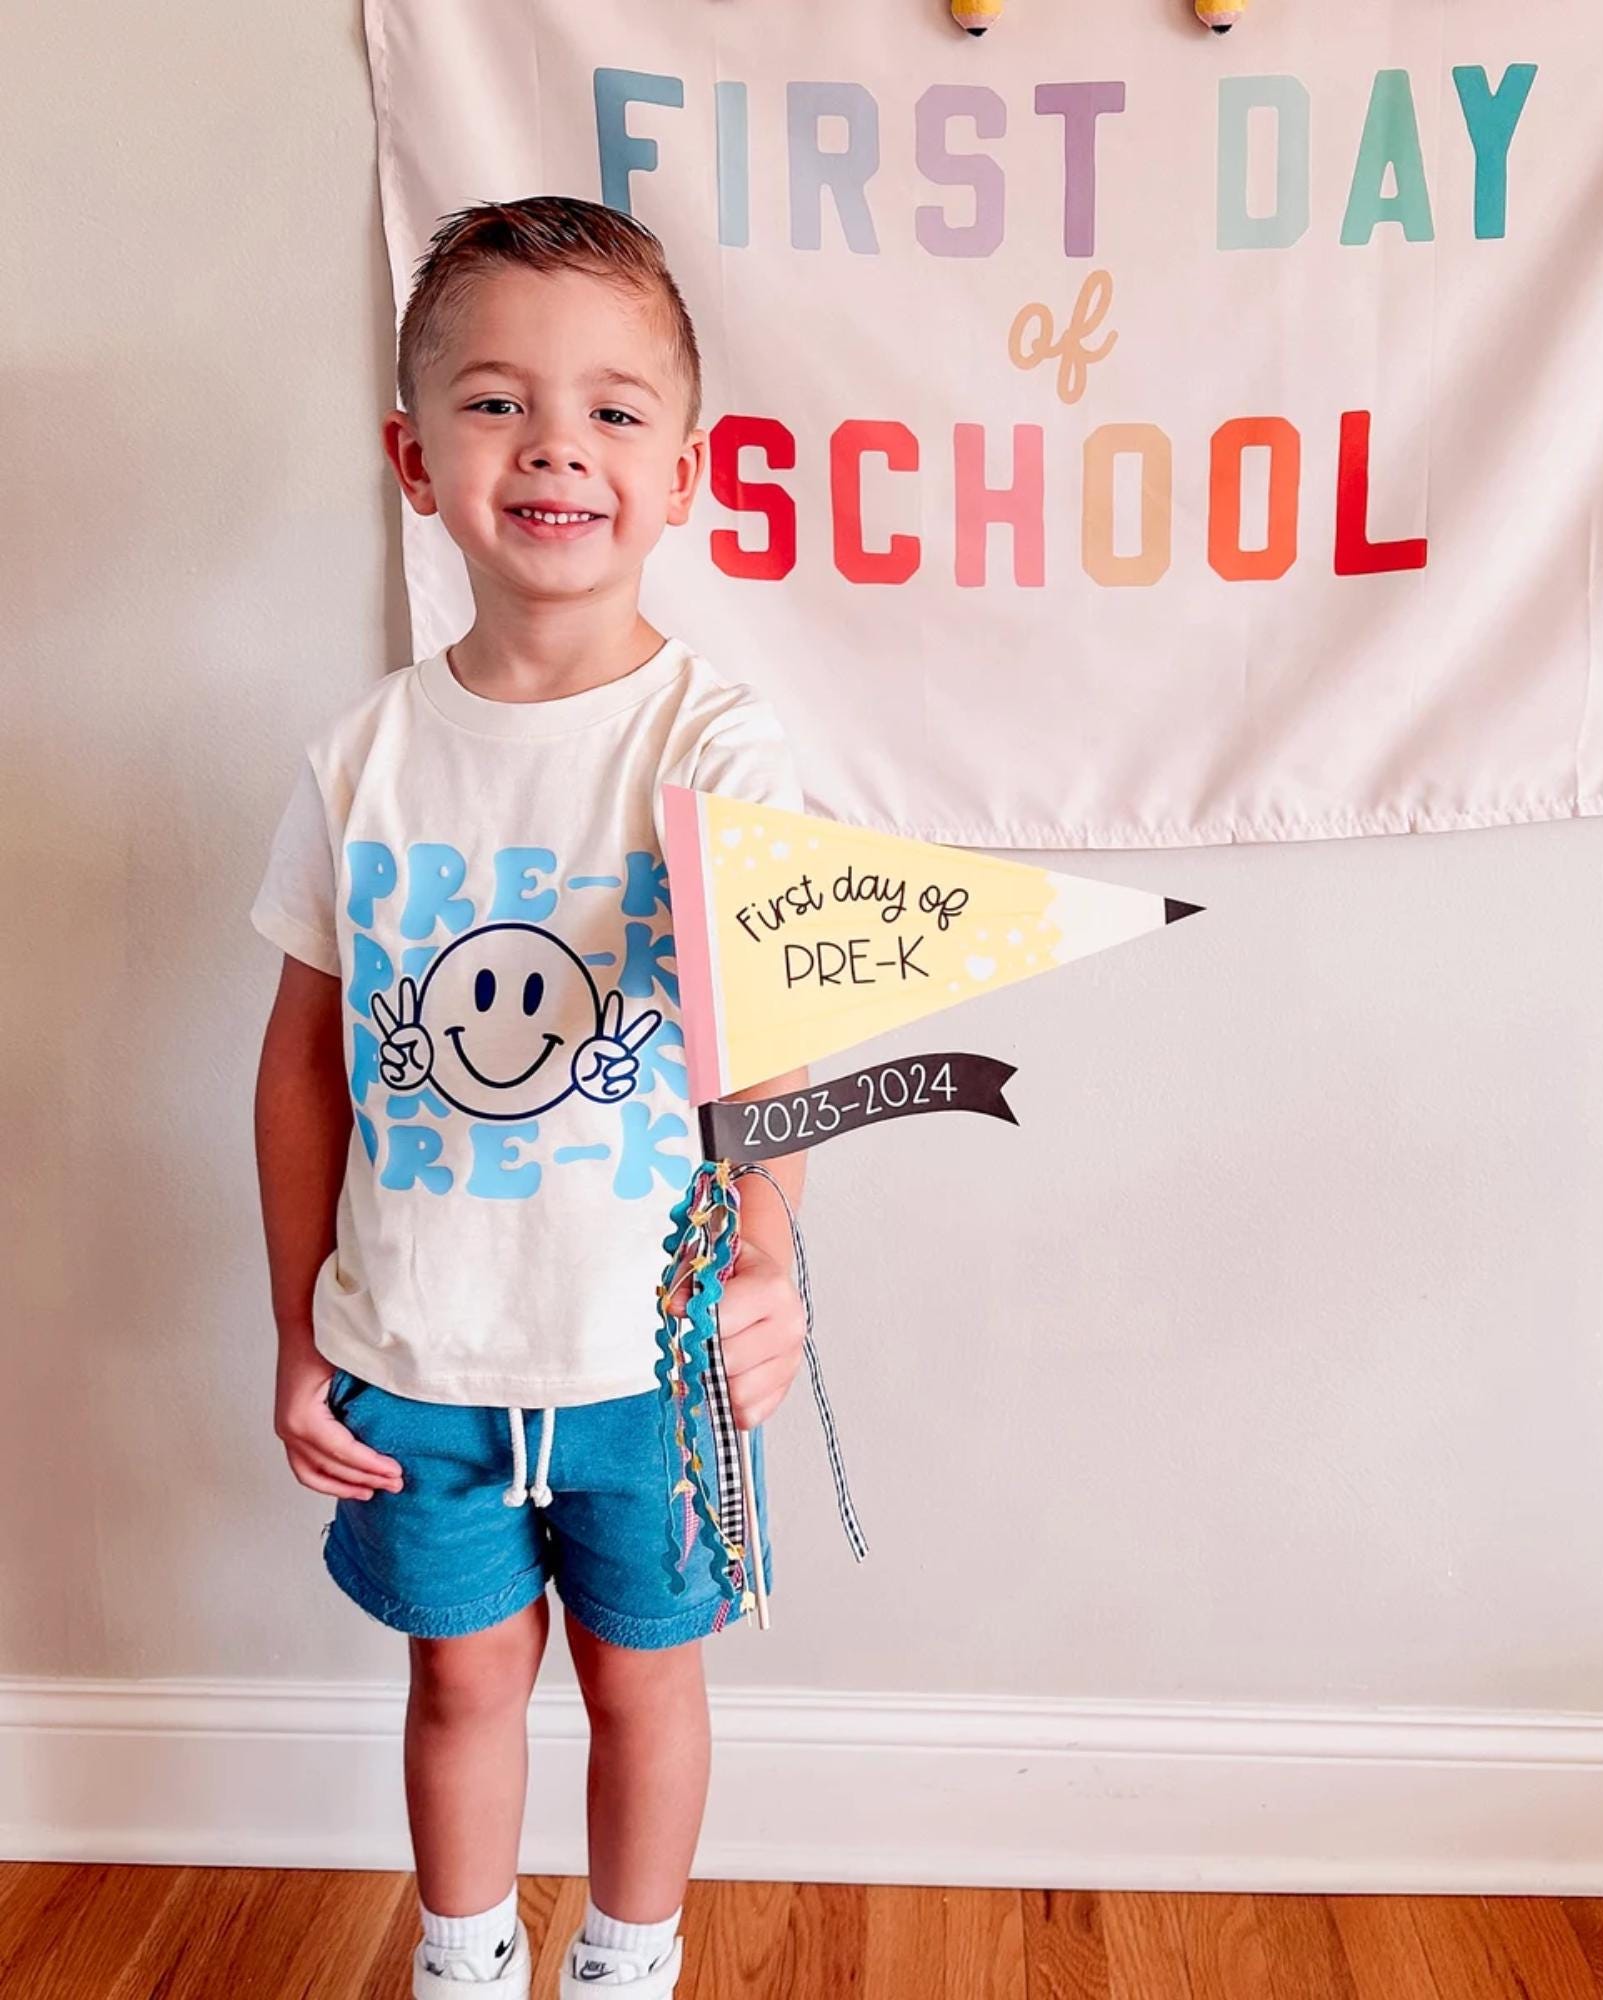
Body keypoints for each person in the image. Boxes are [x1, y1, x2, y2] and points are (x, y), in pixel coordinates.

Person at [251, 195, 813, 1999]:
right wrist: (296, 1331)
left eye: (613, 410)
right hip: (417, 1349)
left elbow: (769, 1038)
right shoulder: (367, 757)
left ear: (684, 472)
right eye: (497, 404)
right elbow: (297, 1062)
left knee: (646, 1675)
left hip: (650, 1357)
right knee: (459, 1678)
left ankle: (628, 1964)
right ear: (418, 462)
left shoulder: (716, 746)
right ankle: (466, 1958)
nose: (558, 442)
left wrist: (767, 1263)